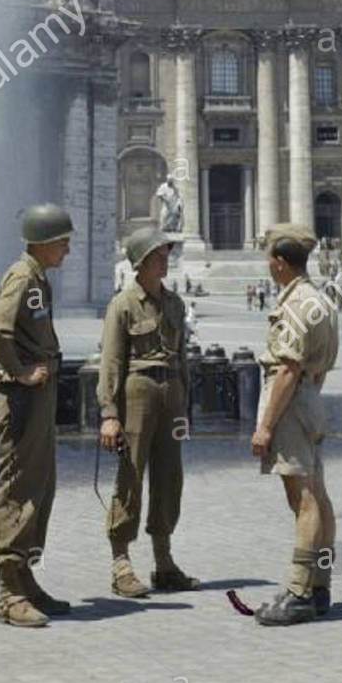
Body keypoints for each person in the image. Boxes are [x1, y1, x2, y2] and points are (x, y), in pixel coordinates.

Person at [0, 203, 74, 628]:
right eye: (63, 242)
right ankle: (9, 593)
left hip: (40, 397)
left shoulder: (38, 278)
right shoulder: (22, 277)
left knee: (40, 486)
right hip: (23, 399)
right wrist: (19, 371)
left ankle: (26, 578)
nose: (67, 250)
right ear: (43, 241)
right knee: (18, 487)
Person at [97, 225, 198, 598]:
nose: (165, 259)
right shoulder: (122, 305)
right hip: (136, 393)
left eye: (166, 253)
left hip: (171, 393)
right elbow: (111, 362)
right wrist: (109, 413)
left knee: (170, 477)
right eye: (158, 254)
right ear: (141, 262)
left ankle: (164, 560)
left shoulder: (175, 303)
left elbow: (183, 356)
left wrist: (185, 404)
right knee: (131, 474)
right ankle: (121, 562)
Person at [251, 224, 339, 626]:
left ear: (281, 264)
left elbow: (286, 369)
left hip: (289, 403)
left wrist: (265, 426)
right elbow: (319, 366)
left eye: (269, 257)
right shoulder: (320, 300)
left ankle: (299, 591)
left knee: (301, 499)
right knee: (318, 496)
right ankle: (320, 586)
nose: (267, 264)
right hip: (310, 400)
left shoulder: (294, 304)